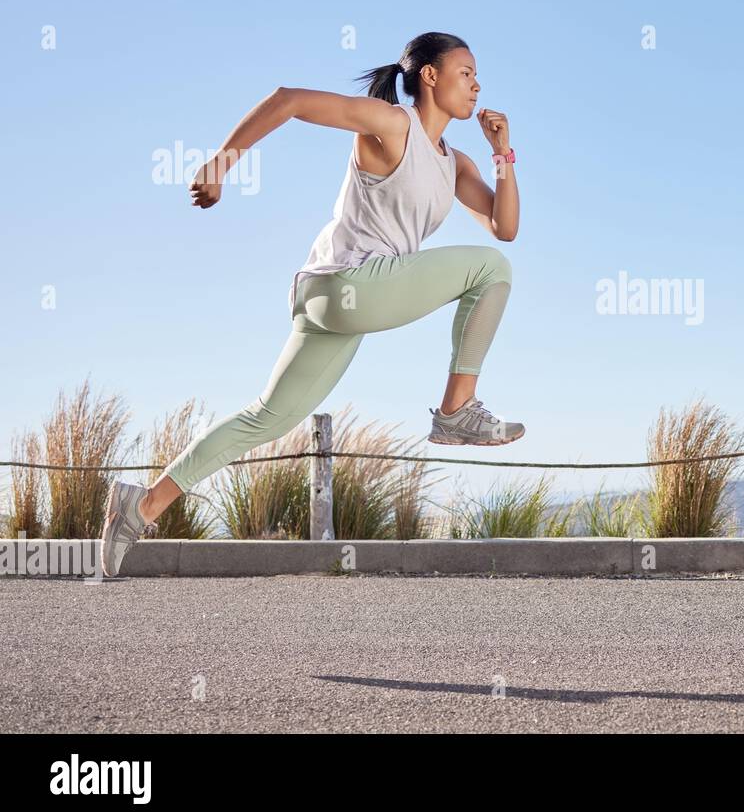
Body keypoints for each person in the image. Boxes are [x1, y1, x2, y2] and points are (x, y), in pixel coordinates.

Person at [101, 31, 523, 577]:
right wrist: (220, 164)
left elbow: (504, 225)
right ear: (430, 76)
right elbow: (289, 100)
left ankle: (142, 504)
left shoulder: (455, 163)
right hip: (351, 282)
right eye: (465, 72)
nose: (476, 84)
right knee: (490, 270)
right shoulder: (392, 124)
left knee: (265, 418)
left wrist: (502, 155)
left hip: (333, 301)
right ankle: (455, 411)